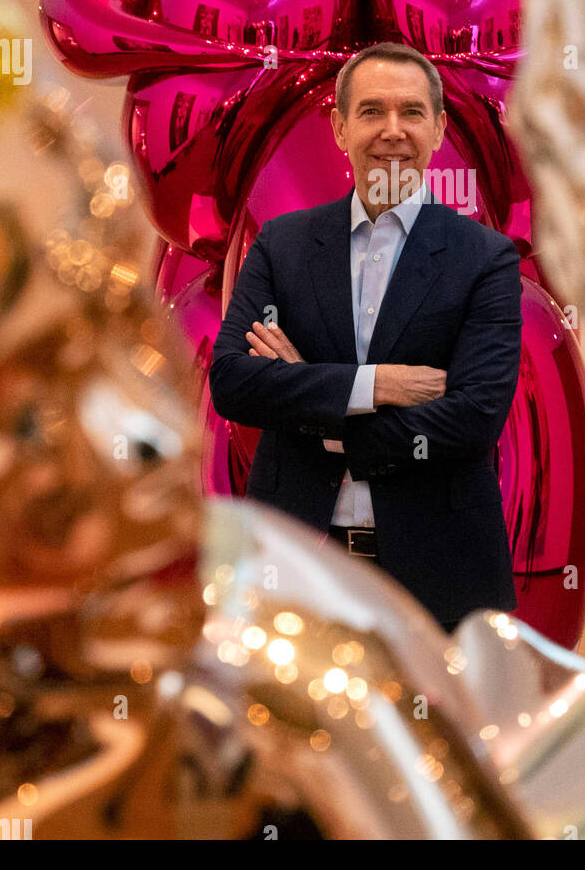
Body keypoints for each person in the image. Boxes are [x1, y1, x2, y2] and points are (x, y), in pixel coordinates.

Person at [208, 42, 522, 631]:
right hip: (297, 555)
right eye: (372, 111)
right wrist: (376, 385)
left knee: (439, 725)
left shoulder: (485, 257)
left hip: (441, 564)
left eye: (412, 112)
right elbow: (233, 383)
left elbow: (475, 414)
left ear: (438, 129)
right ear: (340, 127)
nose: (393, 131)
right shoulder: (283, 244)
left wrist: (311, 400)